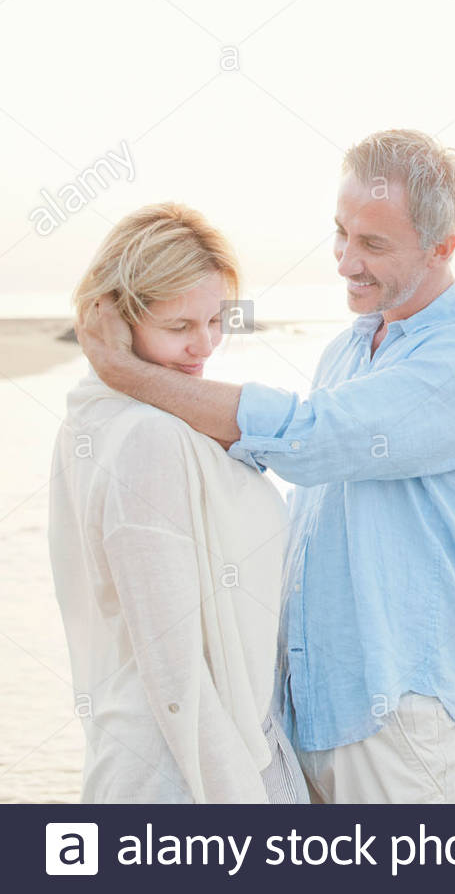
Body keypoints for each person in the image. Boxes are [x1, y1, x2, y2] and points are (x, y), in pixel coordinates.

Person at [75, 129, 455, 803]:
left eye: (373, 244)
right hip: (303, 715)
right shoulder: (349, 351)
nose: (347, 261)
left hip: (393, 720)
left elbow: (311, 439)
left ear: (442, 247)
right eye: (341, 233)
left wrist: (125, 369)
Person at [48, 203, 309, 803]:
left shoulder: (98, 418)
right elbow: (176, 678)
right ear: (120, 319)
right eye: (179, 326)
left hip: (184, 754)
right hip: (182, 774)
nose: (205, 346)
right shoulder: (148, 438)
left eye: (217, 319)